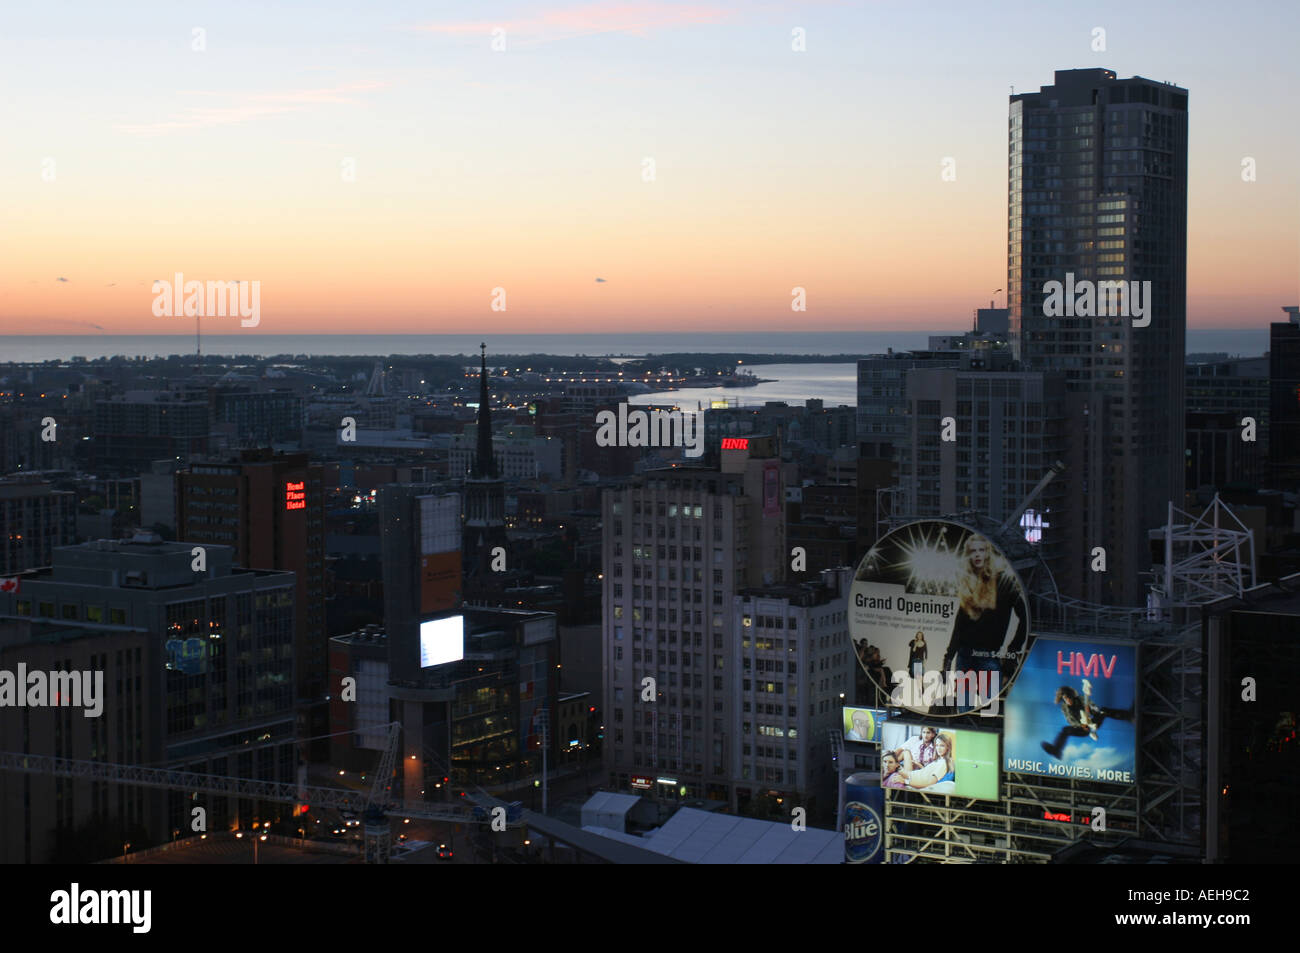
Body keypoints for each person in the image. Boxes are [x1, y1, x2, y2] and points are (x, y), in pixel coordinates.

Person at [941, 534, 1028, 704]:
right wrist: (948, 658)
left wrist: (1012, 651)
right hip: (965, 655)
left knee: (990, 709)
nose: (977, 555)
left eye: (981, 550)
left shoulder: (1004, 581)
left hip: (989, 656)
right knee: (964, 707)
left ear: (988, 553)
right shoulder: (967, 581)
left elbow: (1025, 617)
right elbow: (959, 625)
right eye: (973, 551)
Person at [1040, 678, 1134, 759]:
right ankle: (1057, 750)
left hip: (1092, 721)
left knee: (1104, 710)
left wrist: (1093, 710)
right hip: (1081, 728)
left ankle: (1129, 716)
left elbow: (1093, 707)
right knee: (1065, 730)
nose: (1068, 700)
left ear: (1072, 696)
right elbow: (1070, 721)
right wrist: (1082, 725)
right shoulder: (1064, 708)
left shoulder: (1080, 699)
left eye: (1069, 697)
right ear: (1063, 699)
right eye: (1065, 698)